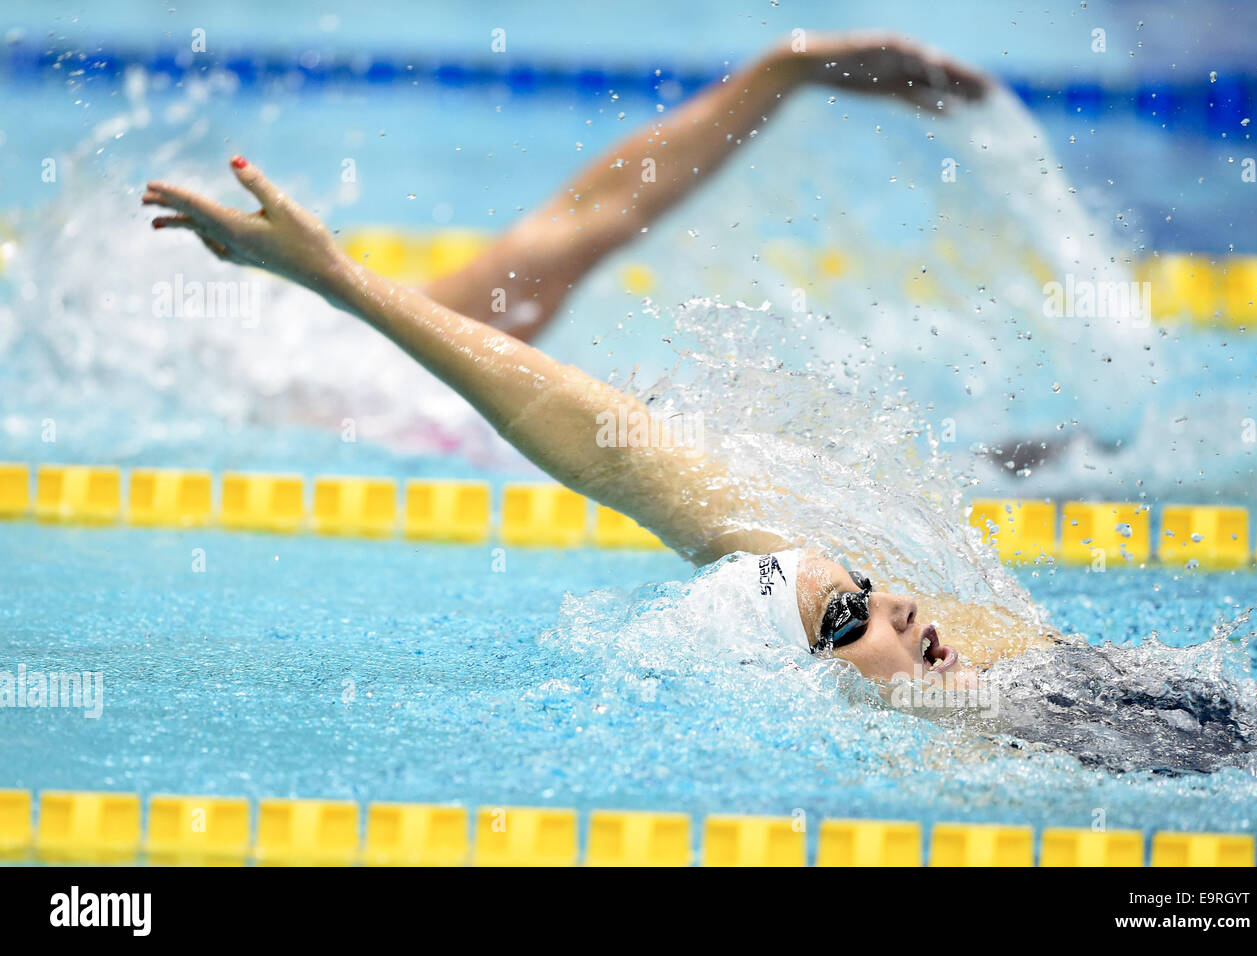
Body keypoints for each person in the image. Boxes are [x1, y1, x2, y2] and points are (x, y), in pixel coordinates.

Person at [142, 33, 1059, 693]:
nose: (898, 605)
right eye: (853, 612)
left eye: (858, 602)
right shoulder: (350, 376)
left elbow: (596, 224)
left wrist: (786, 68)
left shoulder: (361, 353)